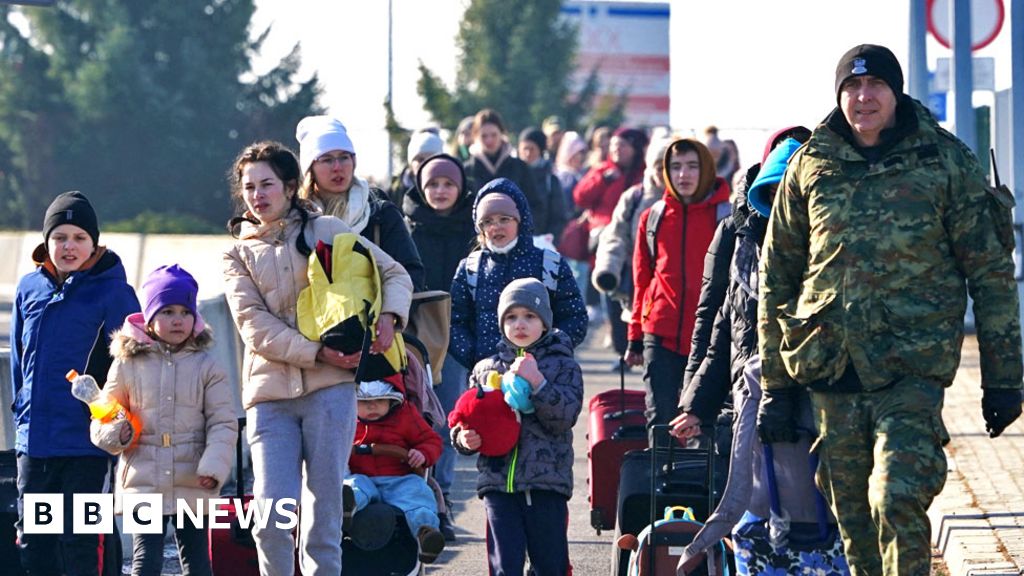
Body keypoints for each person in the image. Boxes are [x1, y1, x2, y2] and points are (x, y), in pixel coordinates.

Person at [756, 44, 1023, 575]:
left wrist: (1004, 378)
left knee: (896, 496)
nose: (863, 97)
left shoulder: (944, 159)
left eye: (875, 85)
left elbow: (991, 273)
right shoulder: (812, 163)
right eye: (852, 87)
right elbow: (777, 276)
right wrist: (775, 386)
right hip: (832, 369)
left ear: (896, 92)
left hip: (911, 371)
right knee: (853, 519)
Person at [223, 141, 413, 575]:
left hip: (331, 390)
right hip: (269, 397)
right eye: (249, 187)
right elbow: (253, 325)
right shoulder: (235, 253)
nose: (257, 195)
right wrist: (317, 352)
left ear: (290, 186)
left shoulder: (325, 230)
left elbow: (394, 273)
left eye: (267, 184)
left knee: (323, 514)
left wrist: (388, 317)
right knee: (271, 515)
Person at [10, 190, 141, 576]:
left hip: (88, 444)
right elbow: (20, 362)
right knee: (35, 544)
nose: (69, 246)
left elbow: (134, 367)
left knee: (82, 542)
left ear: (94, 243)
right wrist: (22, 411)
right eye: (60, 237)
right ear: (46, 242)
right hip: (34, 443)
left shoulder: (115, 293)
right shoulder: (27, 289)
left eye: (79, 238)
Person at [90, 265, 238, 576]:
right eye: (167, 311)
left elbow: (222, 422)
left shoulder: (207, 366)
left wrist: (214, 466)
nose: (177, 320)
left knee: (197, 561)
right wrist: (117, 432)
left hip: (194, 476)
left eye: (185, 312)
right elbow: (103, 416)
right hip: (143, 476)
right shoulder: (127, 364)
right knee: (146, 561)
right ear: (149, 317)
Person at [670, 137, 804, 441]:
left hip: (809, 406)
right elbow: (717, 327)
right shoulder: (742, 242)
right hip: (743, 395)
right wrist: (695, 405)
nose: (782, 202)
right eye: (773, 192)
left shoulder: (825, 250)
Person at [451, 278, 584, 576]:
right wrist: (463, 438)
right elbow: (465, 415)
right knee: (504, 566)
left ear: (545, 323)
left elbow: (565, 416)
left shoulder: (563, 366)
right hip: (498, 485)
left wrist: (538, 383)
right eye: (511, 317)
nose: (519, 324)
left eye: (529, 316)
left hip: (546, 484)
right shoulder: (486, 369)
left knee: (551, 565)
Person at [623, 138, 730, 427]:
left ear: (706, 169)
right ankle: (660, 474)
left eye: (693, 166)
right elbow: (642, 280)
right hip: (661, 333)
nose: (684, 175)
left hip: (711, 339)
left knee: (706, 424)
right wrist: (634, 334)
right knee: (660, 420)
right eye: (676, 166)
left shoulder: (727, 217)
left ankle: (703, 475)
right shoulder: (653, 217)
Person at [401, 152, 476, 540]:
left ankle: (441, 501)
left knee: (446, 419)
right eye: (432, 184)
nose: (441, 191)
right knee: (409, 421)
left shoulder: (474, 227)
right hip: (414, 338)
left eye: (448, 184)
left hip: (458, 338)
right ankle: (411, 501)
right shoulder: (406, 227)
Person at [449, 177, 588, 371]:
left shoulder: (549, 264)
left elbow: (575, 317)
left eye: (504, 219)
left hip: (543, 374)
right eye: (488, 221)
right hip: (488, 376)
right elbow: (455, 321)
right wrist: (476, 357)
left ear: (520, 220)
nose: (496, 226)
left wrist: (550, 352)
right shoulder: (471, 268)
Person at [296, 115, 426, 291]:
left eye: (344, 157)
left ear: (353, 161)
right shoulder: (296, 219)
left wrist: (387, 313)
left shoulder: (379, 213)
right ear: (310, 168)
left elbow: (411, 275)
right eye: (327, 159)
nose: (337, 167)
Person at [344, 374, 446, 563]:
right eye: (364, 402)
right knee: (352, 485)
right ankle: (346, 507)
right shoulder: (347, 421)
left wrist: (422, 453)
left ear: (392, 400)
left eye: (380, 400)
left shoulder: (406, 415)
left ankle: (426, 532)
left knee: (417, 491)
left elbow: (431, 440)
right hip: (361, 475)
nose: (372, 407)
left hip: (399, 478)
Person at [592, 136, 672, 371]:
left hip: (669, 279)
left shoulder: (689, 201)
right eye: (660, 166)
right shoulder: (634, 197)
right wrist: (608, 269)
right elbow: (615, 235)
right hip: (635, 275)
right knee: (628, 324)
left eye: (671, 166)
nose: (665, 173)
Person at [463, 109, 540, 215]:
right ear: (476, 136)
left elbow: (535, 205)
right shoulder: (467, 170)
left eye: (494, 135)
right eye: (484, 136)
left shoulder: (519, 167)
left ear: (502, 134)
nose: (489, 140)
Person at [517, 126, 568, 239]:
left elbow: (558, 216)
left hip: (541, 241)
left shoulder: (549, 180)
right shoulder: (512, 175)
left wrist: (550, 239)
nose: (527, 153)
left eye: (531, 149)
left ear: (540, 150)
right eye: (524, 149)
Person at [389, 128, 444, 207]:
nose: (425, 163)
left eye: (431, 159)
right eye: (420, 159)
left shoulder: (448, 190)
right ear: (411, 162)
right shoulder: (395, 190)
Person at [553, 130, 587, 213]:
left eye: (583, 152)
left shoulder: (583, 173)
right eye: (578, 152)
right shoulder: (564, 176)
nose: (581, 157)